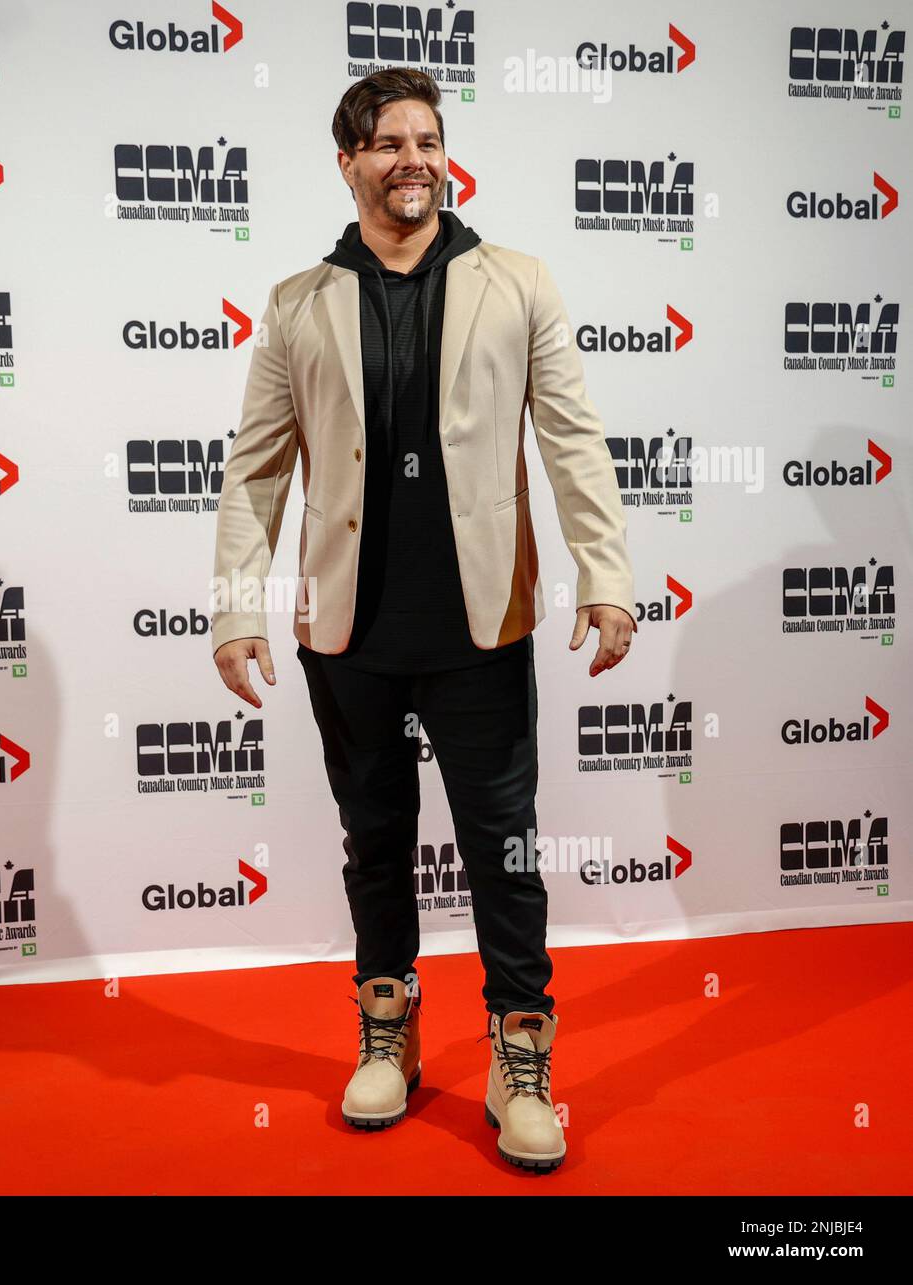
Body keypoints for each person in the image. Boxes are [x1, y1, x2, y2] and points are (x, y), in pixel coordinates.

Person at [209, 67, 636, 1172]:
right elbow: (255, 467)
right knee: (375, 845)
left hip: (478, 623)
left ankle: (519, 1052)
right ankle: (386, 1031)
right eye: (388, 142)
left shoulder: (517, 283)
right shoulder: (299, 301)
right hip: (347, 631)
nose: (413, 159)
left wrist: (606, 573)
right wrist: (233, 606)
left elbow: (573, 442)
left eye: (427, 139)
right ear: (347, 161)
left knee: (506, 847)